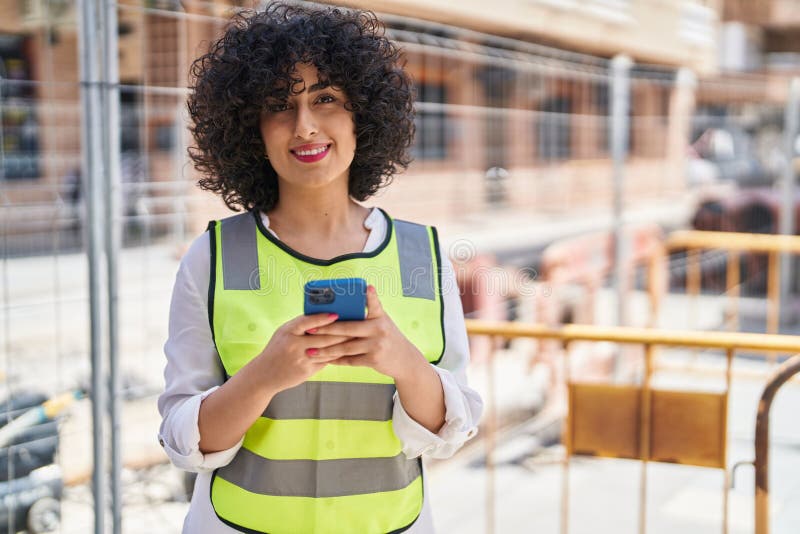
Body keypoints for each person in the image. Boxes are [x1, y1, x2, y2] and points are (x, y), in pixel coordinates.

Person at [157, 3, 483, 533]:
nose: (305, 126)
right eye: (279, 105)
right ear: (251, 129)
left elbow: (452, 428)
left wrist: (402, 361)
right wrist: (263, 377)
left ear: (362, 114)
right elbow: (182, 440)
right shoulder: (213, 257)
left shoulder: (422, 256)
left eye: (326, 98)